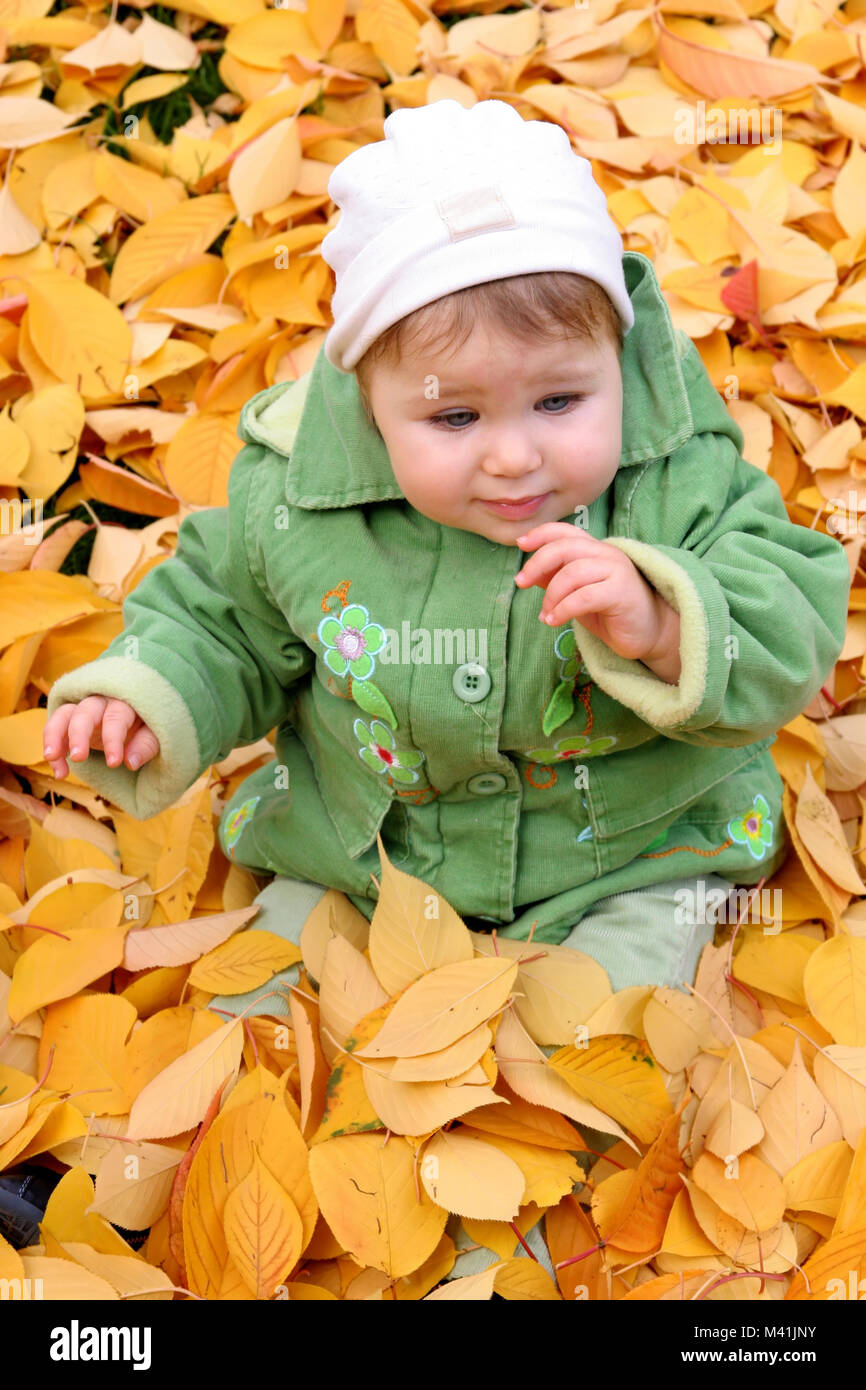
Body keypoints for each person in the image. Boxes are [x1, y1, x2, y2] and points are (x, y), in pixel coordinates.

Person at [42, 100, 850, 1021]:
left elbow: (791, 608)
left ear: (614, 360)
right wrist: (152, 695)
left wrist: (666, 620)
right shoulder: (300, 497)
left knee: (604, 1032)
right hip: (365, 848)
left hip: (630, 851)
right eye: (455, 418)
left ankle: (574, 1119)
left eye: (558, 400)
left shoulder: (676, 474)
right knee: (254, 1010)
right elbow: (222, 619)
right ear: (367, 403)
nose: (512, 455)